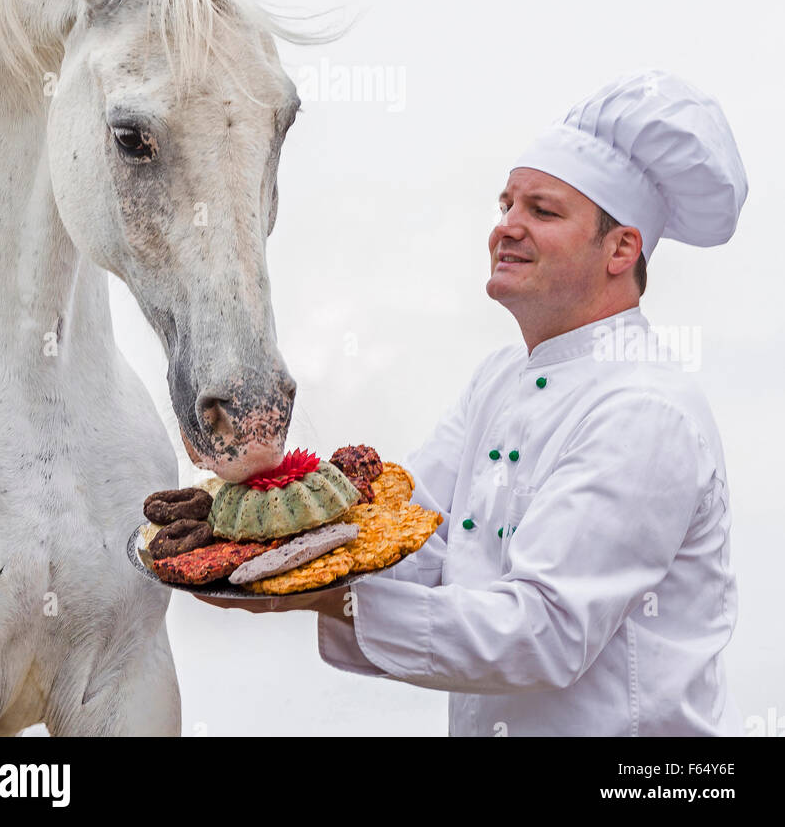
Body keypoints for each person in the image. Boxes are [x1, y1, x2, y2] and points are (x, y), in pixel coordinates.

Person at [199, 68, 749, 738]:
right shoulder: (499, 377)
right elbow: (412, 540)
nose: (505, 228)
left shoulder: (644, 409)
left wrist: (329, 596)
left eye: (541, 211)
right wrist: (270, 534)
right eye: (505, 206)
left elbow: (545, 632)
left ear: (620, 248)